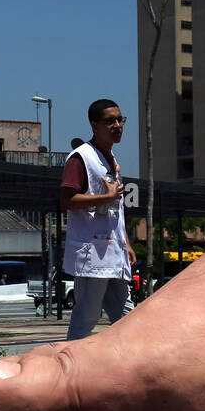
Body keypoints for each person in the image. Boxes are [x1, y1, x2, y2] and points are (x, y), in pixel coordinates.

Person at [60, 99, 136, 340]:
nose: (117, 125)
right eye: (110, 121)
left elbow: (115, 209)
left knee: (129, 319)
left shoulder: (110, 160)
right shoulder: (81, 157)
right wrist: (104, 198)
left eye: (120, 120)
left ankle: (129, 371)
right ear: (94, 125)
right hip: (93, 255)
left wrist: (127, 244)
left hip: (113, 254)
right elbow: (67, 200)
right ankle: (70, 372)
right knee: (86, 319)